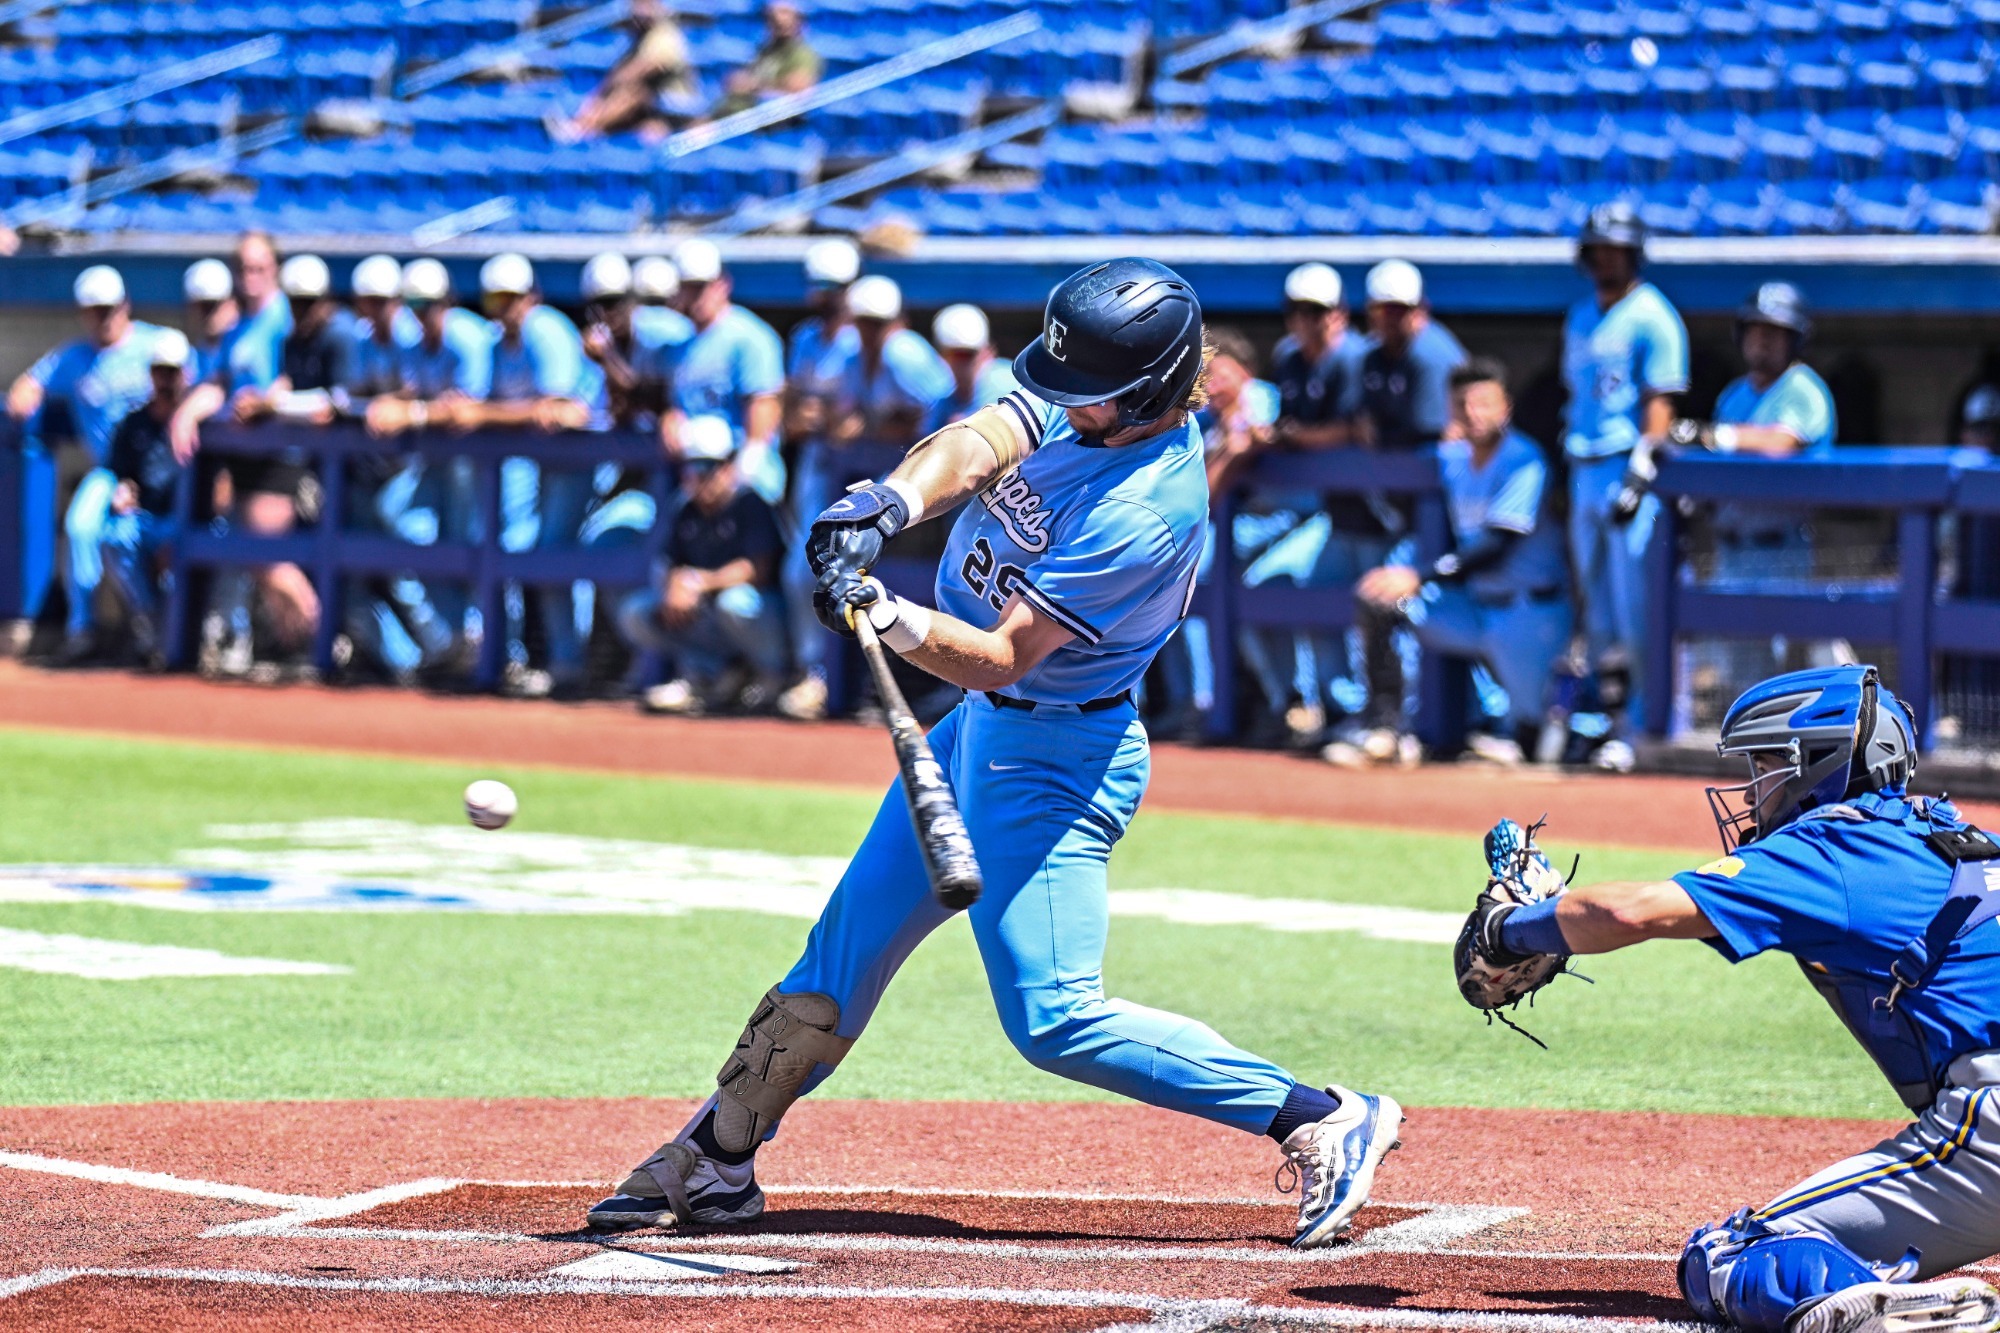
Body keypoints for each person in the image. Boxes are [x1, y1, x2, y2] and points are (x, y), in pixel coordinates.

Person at [585, 257, 1404, 1252]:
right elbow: (977, 440)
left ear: (1146, 391)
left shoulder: (1144, 508)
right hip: (981, 731)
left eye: (1086, 397)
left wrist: (883, 610)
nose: (1064, 405)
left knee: (1053, 1018)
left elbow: (1002, 653)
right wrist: (886, 504)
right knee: (837, 958)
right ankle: (715, 1154)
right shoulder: (1087, 390)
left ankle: (1317, 1114)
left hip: (1056, 755)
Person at [1456, 664, 2000, 1333]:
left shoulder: (1835, 844)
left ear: (1820, 762)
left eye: (1766, 763)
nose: (1753, 787)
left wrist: (1506, 929)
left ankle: (1895, 1321)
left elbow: (1631, 912)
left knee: (1728, 1255)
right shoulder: (1949, 836)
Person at [1328, 360, 1569, 768]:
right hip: (1474, 611)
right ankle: (1385, 728)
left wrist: (1418, 575)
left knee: (1537, 740)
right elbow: (1407, 456)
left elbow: (1496, 545)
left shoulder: (1523, 457)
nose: (1473, 413)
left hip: (1528, 614)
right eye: (1462, 405)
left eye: (1484, 404)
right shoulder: (1455, 456)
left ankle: (1548, 725)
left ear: (1505, 408)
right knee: (1381, 601)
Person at [1561, 201, 1689, 771]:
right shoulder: (1580, 315)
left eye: (1616, 248)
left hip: (1625, 467)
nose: (1605, 258)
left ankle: (1643, 722)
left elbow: (1659, 401)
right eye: (1598, 249)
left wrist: (1641, 468)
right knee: (1597, 612)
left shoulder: (1654, 315)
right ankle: (1608, 722)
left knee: (1635, 605)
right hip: (1584, 464)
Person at [456, 252, 602, 697]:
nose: (503, 308)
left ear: (530, 297)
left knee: (551, 554)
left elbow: (554, 409)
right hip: (534, 465)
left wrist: (484, 414)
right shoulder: (496, 341)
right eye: (494, 299)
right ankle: (516, 657)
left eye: (511, 298)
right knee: (508, 548)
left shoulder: (546, 328)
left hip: (586, 461)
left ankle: (568, 663)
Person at [6, 264, 165, 662]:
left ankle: (154, 628)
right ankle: (84, 631)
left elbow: (195, 381)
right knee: (80, 526)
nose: (104, 317)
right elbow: (26, 387)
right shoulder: (75, 358)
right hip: (109, 471)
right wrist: (25, 397)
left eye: (110, 308)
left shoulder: (155, 346)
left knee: (137, 540)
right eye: (95, 310)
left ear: (125, 305)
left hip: (160, 472)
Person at [616, 414, 790, 716]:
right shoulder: (684, 507)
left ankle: (775, 678)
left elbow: (758, 569)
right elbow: (670, 562)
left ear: (728, 466)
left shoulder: (752, 503)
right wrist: (676, 585)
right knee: (638, 612)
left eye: (708, 467)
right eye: (692, 467)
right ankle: (707, 677)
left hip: (767, 616)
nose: (699, 476)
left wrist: (698, 582)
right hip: (713, 619)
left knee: (735, 602)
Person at [776, 237, 862, 723]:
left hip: (859, 470)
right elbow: (793, 416)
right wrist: (818, 415)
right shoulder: (806, 337)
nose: (824, 299)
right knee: (800, 570)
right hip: (815, 464)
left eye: (832, 290)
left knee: (849, 574)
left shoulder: (860, 338)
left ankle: (833, 679)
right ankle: (813, 672)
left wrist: (830, 415)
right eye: (819, 289)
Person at [96, 330, 197, 666]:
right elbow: (122, 473)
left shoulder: (199, 421)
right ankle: (149, 626)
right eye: (159, 371)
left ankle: (214, 634)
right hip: (147, 520)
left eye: (173, 372)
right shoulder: (134, 423)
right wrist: (123, 490)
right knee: (116, 535)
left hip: (189, 522)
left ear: (187, 374)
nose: (166, 380)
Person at [661, 239, 784, 503]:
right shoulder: (679, 342)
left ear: (722, 284)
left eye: (701, 287)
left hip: (744, 475)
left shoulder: (750, 337)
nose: (695, 296)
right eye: (688, 287)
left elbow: (765, 410)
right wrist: (670, 417)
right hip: (694, 475)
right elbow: (680, 404)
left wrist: (737, 475)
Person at [551, 0, 695, 142]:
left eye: (645, 6)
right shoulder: (638, 40)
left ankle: (583, 129)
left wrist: (608, 87)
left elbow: (645, 69)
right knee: (628, 93)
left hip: (675, 102)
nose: (639, 14)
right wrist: (599, 96)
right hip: (652, 106)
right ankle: (583, 125)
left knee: (635, 93)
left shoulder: (665, 35)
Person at [578, 253, 674, 430]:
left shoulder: (661, 333)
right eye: (602, 303)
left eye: (617, 301)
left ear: (632, 299)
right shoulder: (589, 346)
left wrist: (607, 360)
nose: (611, 311)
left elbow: (655, 397)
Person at [712, 2, 822, 118]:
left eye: (785, 14)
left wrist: (752, 85)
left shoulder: (802, 53)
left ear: (798, 21)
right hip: (734, 114)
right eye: (771, 18)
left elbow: (798, 89)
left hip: (766, 121)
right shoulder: (764, 51)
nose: (779, 20)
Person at [928, 302, 1018, 432]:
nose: (962, 364)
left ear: (987, 353)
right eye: (956, 355)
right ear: (942, 356)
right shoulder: (942, 397)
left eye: (969, 355)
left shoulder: (1009, 384)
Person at [182, 258, 238, 384]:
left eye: (213, 305)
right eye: (201, 306)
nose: (207, 315)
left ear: (231, 303)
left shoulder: (242, 351)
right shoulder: (189, 359)